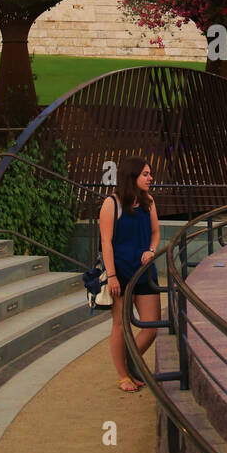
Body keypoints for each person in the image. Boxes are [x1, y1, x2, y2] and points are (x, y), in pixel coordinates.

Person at [99, 156, 161, 392]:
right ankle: (123, 375)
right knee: (120, 324)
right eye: (145, 174)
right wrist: (112, 275)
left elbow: (155, 233)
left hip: (145, 271)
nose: (150, 178)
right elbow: (106, 242)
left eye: (149, 174)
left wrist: (152, 250)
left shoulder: (149, 202)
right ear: (131, 176)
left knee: (152, 326)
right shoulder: (111, 204)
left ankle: (130, 362)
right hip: (122, 273)